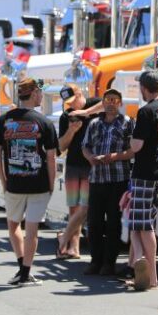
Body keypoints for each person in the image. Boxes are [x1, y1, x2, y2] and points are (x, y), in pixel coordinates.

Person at [0, 77, 57, 286]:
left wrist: (2, 179)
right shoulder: (44, 122)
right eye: (39, 93)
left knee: (13, 225)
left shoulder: (4, 120)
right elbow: (52, 156)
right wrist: (52, 183)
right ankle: (26, 271)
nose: (40, 96)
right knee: (32, 229)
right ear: (34, 93)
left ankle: (22, 267)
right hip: (39, 183)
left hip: (14, 184)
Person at [125, 71, 158, 291]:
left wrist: (128, 137)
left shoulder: (146, 112)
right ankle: (137, 267)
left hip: (144, 174)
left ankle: (152, 277)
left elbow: (136, 146)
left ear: (145, 88)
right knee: (139, 223)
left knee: (143, 226)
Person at [81, 88, 134, 276]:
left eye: (115, 100)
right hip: (97, 179)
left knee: (113, 223)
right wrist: (90, 158)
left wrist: (114, 157)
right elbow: (85, 147)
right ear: (102, 103)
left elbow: (132, 151)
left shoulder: (128, 123)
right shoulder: (94, 123)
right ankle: (95, 261)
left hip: (118, 179)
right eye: (108, 99)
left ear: (120, 103)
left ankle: (109, 263)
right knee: (94, 222)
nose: (111, 103)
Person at [56, 84, 103, 259]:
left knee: (85, 207)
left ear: (80, 94)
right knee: (74, 208)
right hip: (74, 165)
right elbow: (60, 147)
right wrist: (71, 130)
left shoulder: (94, 104)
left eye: (73, 100)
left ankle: (65, 238)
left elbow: (108, 103)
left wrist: (84, 113)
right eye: (67, 103)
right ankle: (73, 248)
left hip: (91, 165)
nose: (71, 106)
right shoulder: (66, 116)